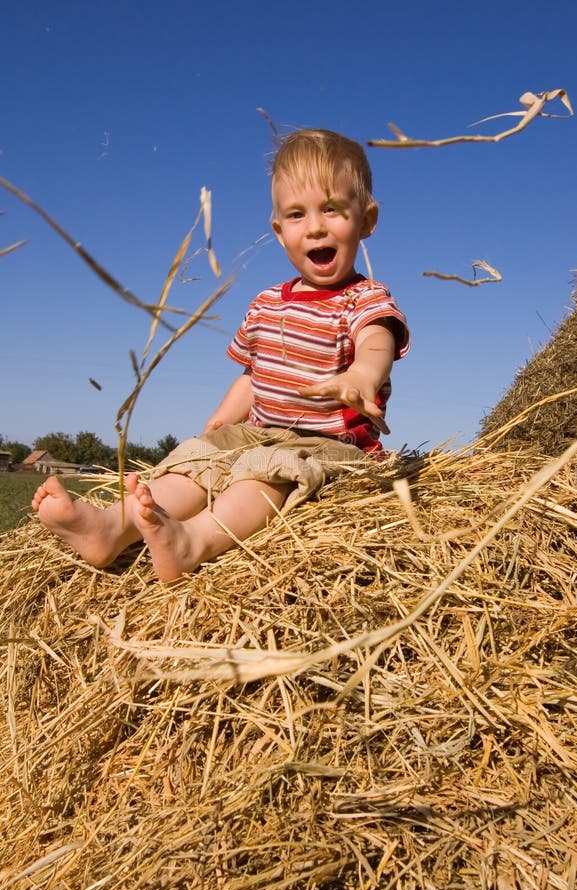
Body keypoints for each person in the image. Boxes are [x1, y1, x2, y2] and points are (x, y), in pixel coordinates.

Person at [32, 128, 410, 582]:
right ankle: (113, 527)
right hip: (256, 432)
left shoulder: (363, 298)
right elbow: (253, 376)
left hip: (327, 443)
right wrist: (222, 418)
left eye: (332, 209)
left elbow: (376, 339)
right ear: (279, 230)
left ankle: (194, 542)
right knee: (196, 464)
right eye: (296, 214)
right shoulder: (267, 303)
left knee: (263, 479)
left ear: (367, 220)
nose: (314, 226)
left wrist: (363, 373)